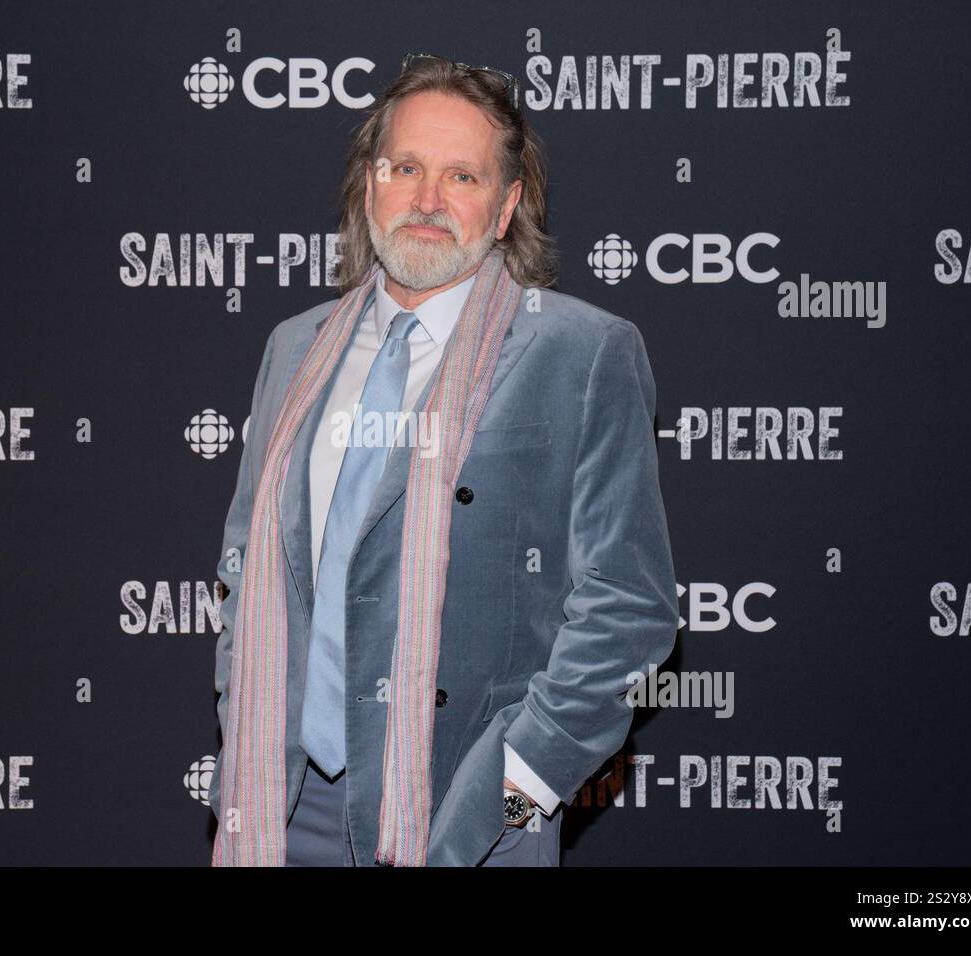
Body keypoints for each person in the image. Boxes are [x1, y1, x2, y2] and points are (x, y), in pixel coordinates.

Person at [207, 52, 679, 867]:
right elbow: (248, 567)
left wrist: (508, 802)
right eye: (406, 168)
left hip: (466, 822)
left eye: (462, 176)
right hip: (282, 815)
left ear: (504, 208)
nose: (427, 200)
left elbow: (630, 612)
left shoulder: (582, 353)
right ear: (369, 186)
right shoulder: (294, 349)